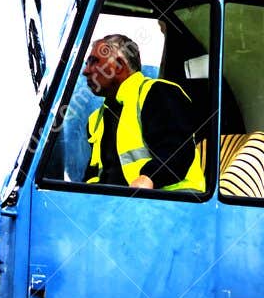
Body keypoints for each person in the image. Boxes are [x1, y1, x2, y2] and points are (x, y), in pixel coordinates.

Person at [82, 33, 205, 193]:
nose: (86, 71)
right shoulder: (96, 119)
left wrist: (149, 178)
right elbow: (94, 173)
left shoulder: (158, 93)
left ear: (119, 66)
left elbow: (178, 150)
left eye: (94, 62)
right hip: (123, 205)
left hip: (174, 202)